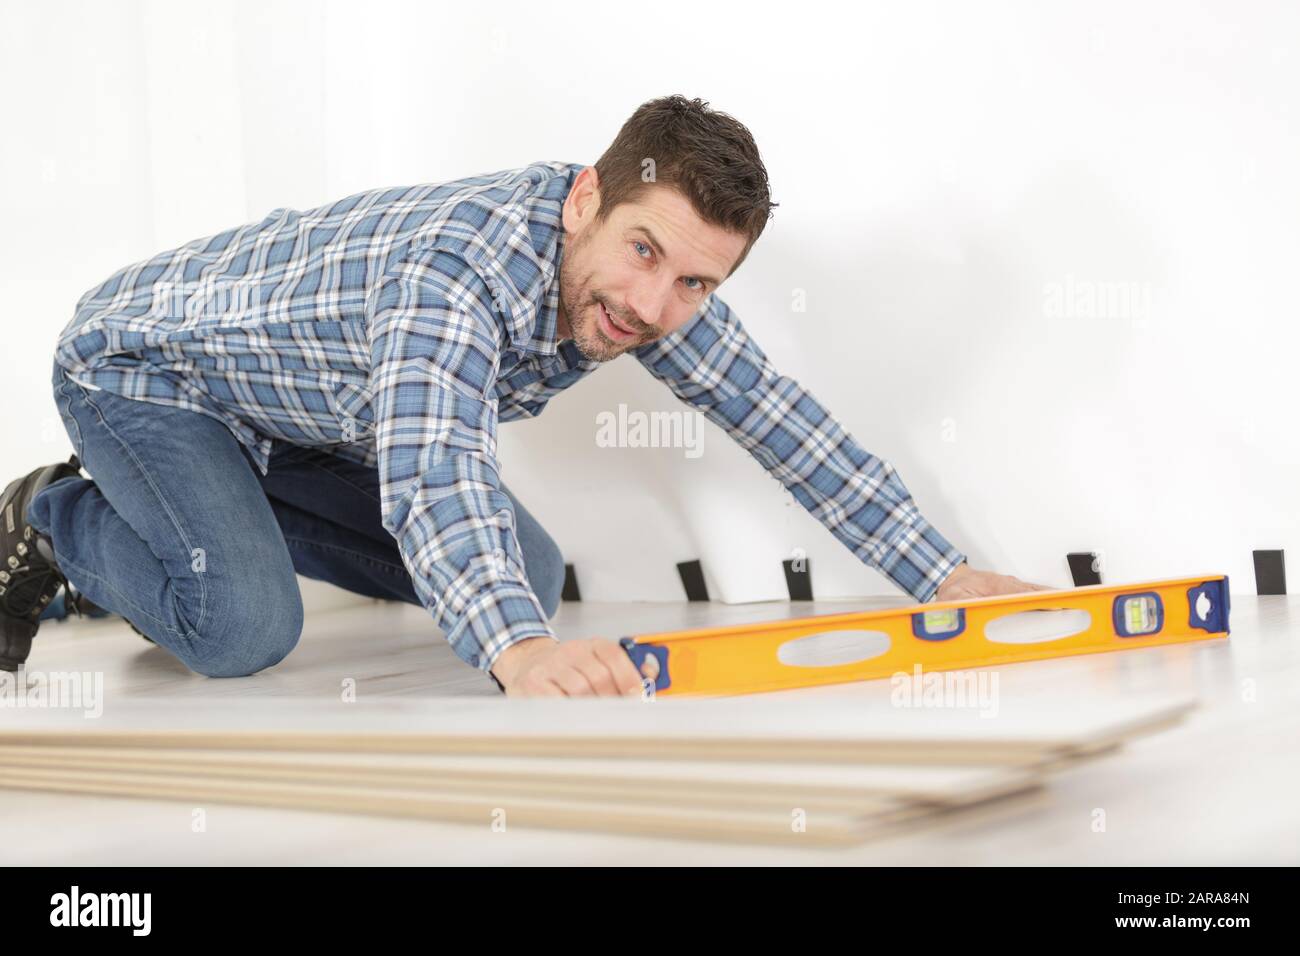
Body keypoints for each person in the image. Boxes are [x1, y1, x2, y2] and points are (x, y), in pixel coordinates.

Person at [1, 95, 1050, 697]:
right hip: (141, 371)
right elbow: (434, 466)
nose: (652, 304)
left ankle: (184, 521)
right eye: (643, 252)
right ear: (586, 197)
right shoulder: (455, 272)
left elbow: (780, 420)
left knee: (529, 570)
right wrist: (519, 653)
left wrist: (940, 570)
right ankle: (55, 514)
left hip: (279, 419)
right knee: (241, 628)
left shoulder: (647, 282)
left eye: (695, 282)